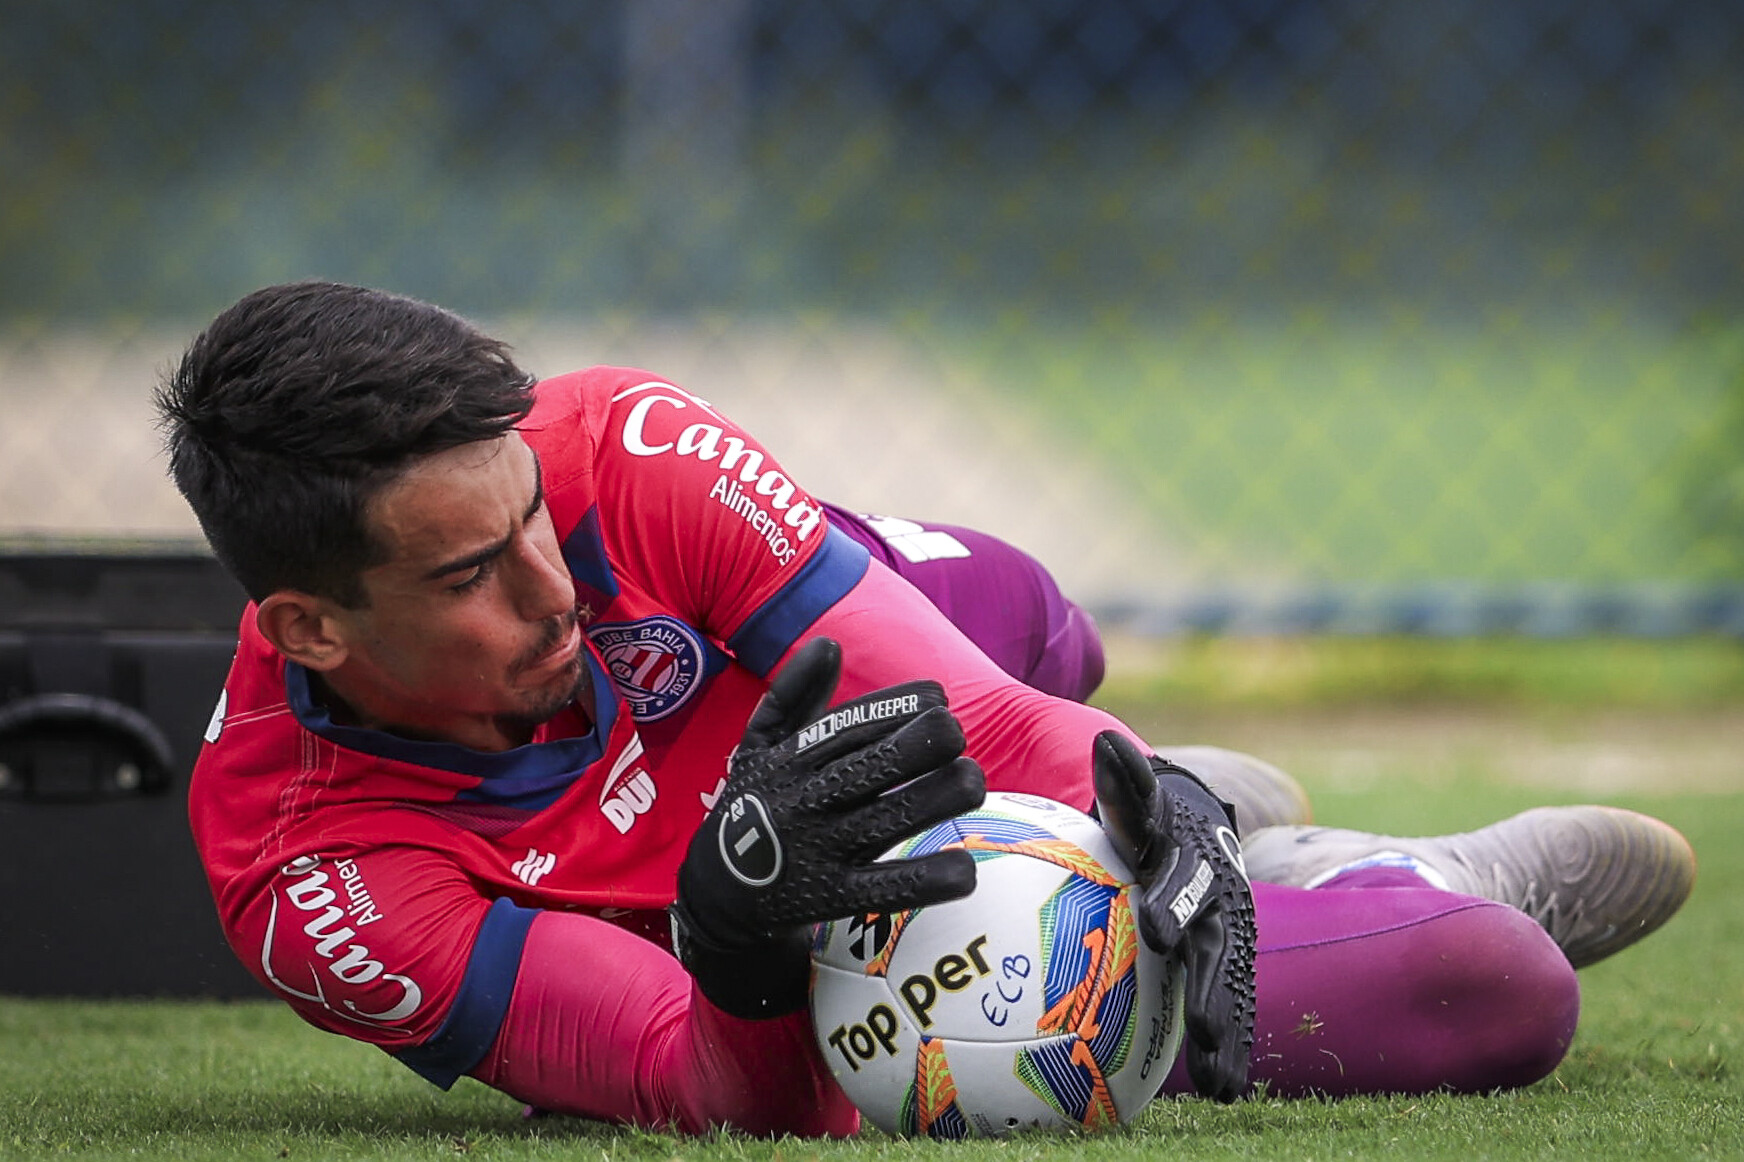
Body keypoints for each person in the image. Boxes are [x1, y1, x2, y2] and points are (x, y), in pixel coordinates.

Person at [154, 282, 1695, 1135]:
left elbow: (989, 704)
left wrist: (1181, 829)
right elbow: (702, 1083)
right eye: (476, 573)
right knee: (1492, 984)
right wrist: (748, 954)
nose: (551, 587)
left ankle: (1175, 814)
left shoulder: (619, 441)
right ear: (312, 627)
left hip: (891, 747)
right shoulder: (310, 879)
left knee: (1033, 614)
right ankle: (1423, 872)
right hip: (762, 964)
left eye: (537, 516)